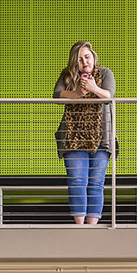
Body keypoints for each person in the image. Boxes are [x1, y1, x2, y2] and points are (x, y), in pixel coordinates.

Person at [52, 41, 115, 225]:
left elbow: (109, 95)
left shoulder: (105, 73)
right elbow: (57, 95)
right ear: (74, 63)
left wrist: (94, 88)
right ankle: (80, 227)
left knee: (96, 183)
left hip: (101, 137)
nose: (84, 62)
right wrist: (78, 93)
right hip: (73, 137)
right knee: (77, 180)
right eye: (79, 60)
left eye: (87, 57)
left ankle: (92, 227)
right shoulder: (68, 75)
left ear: (93, 57)